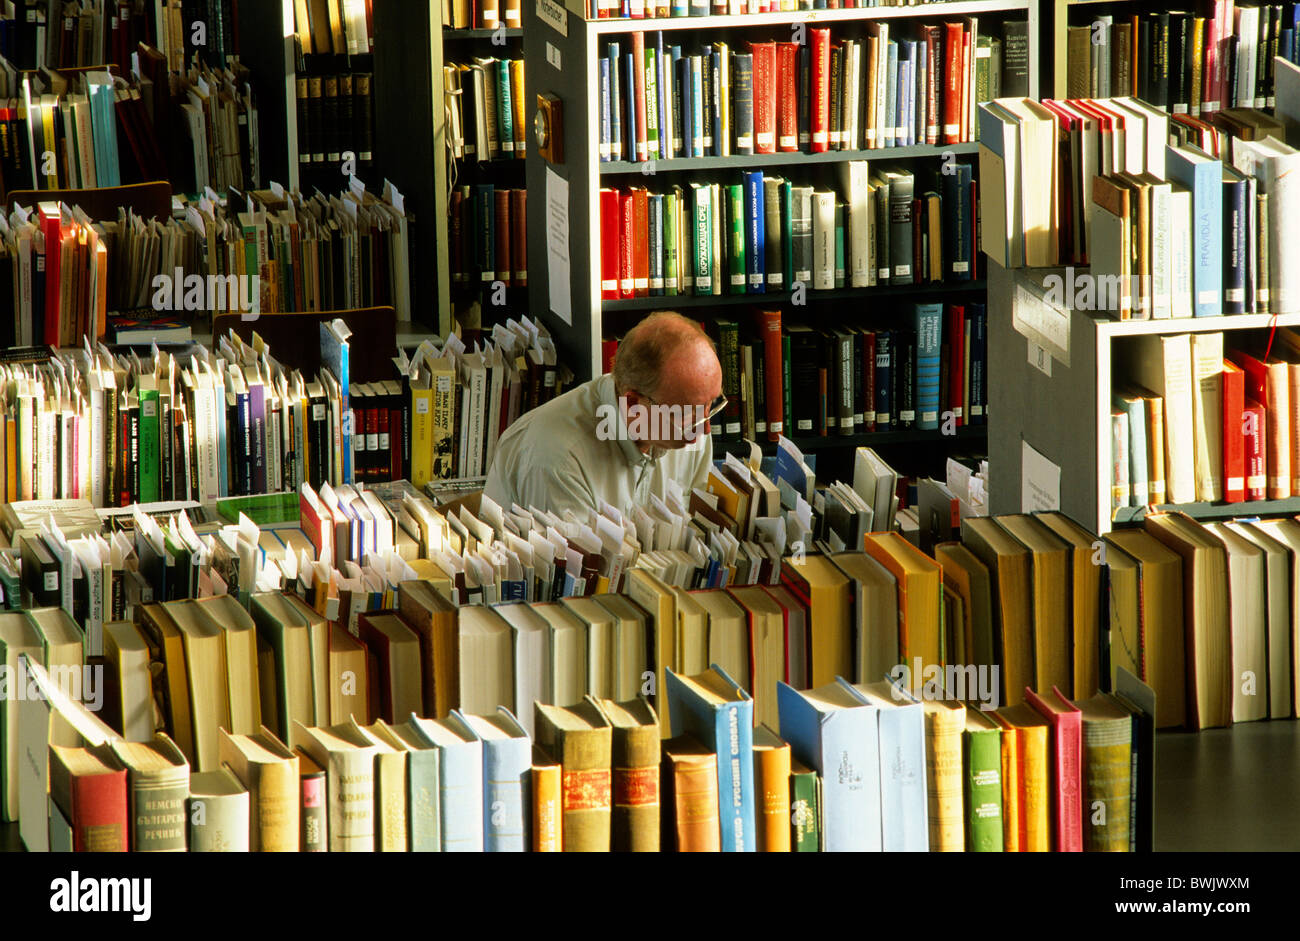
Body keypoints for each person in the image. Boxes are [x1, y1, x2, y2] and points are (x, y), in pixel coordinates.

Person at [484, 311, 725, 519]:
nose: (703, 430)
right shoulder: (558, 460)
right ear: (633, 404)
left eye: (711, 404)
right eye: (685, 415)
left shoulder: (694, 421)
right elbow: (576, 572)